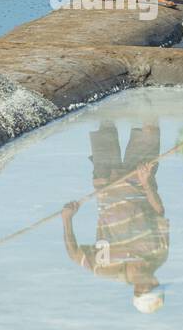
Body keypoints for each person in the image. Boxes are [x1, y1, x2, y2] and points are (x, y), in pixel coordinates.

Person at [61, 121, 169, 314]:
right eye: (157, 284)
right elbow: (159, 211)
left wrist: (67, 219)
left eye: (152, 286)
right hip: (140, 177)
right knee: (149, 128)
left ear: (138, 289)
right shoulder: (159, 255)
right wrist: (146, 183)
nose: (156, 280)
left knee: (106, 125)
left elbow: (74, 254)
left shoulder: (105, 268)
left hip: (105, 181)